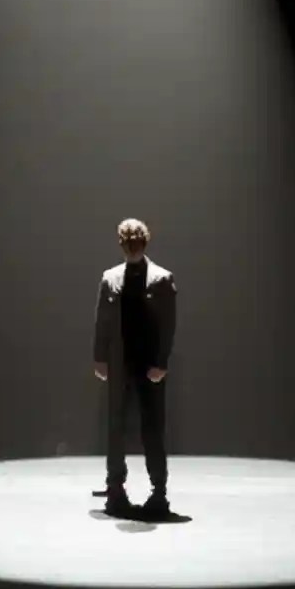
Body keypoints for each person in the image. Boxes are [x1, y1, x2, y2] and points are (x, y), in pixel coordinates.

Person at [92, 218, 177, 519]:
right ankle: (115, 488)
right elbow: (102, 321)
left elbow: (168, 326)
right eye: (127, 240)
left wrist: (161, 362)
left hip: (148, 366)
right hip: (119, 364)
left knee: (152, 428)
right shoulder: (110, 278)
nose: (131, 245)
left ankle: (158, 491)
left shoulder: (162, 279)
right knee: (116, 428)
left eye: (136, 239)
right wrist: (99, 357)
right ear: (121, 243)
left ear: (145, 241)